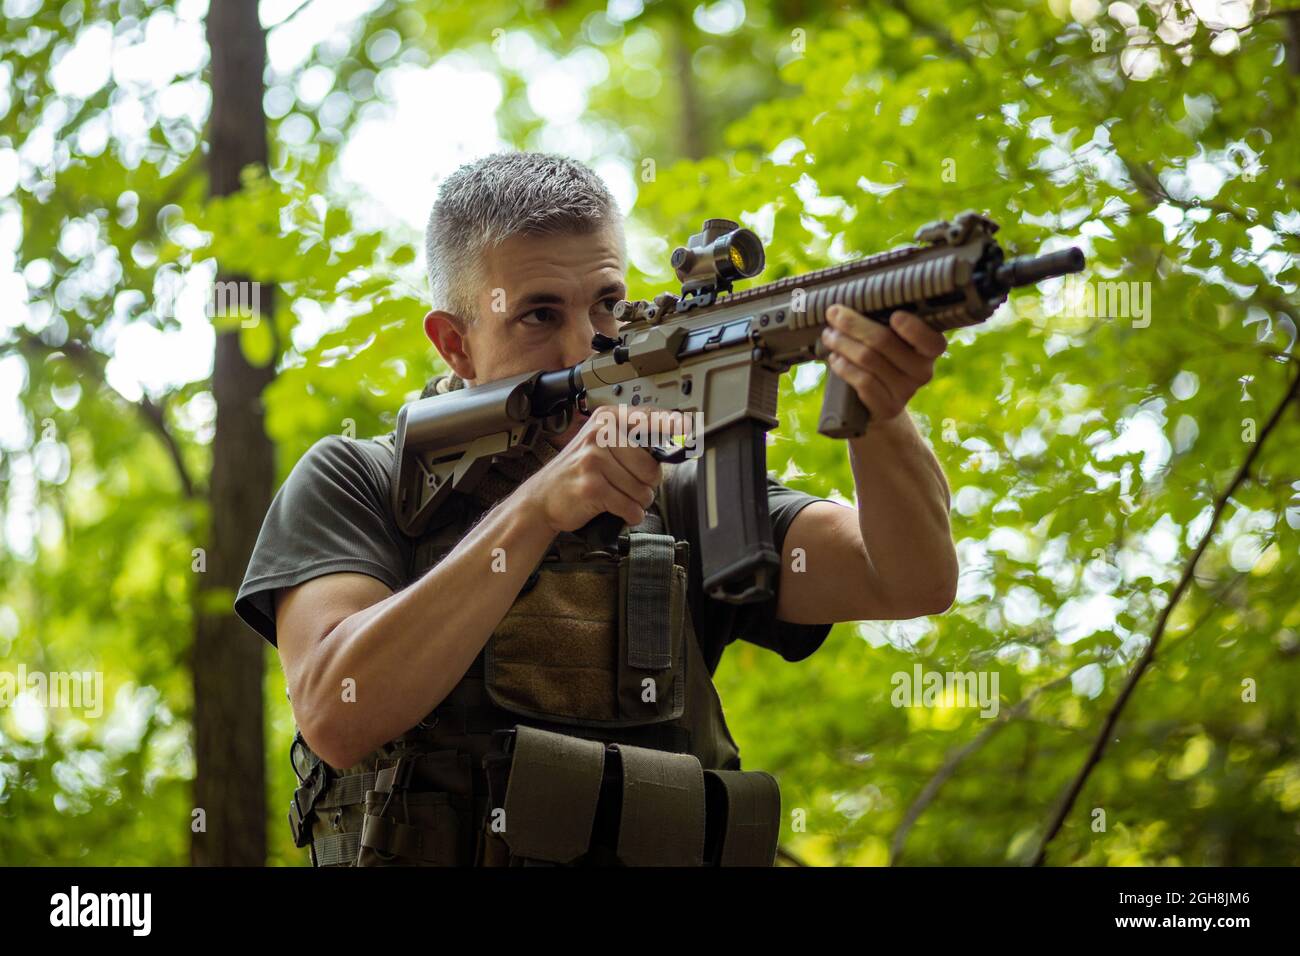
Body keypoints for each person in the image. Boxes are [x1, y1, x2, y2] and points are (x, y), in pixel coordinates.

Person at [235, 151, 959, 866]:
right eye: (538, 316)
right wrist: (535, 513)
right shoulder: (361, 479)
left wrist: (881, 409)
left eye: (607, 303)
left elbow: (907, 579)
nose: (585, 342)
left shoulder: (679, 493)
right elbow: (336, 709)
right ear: (455, 344)